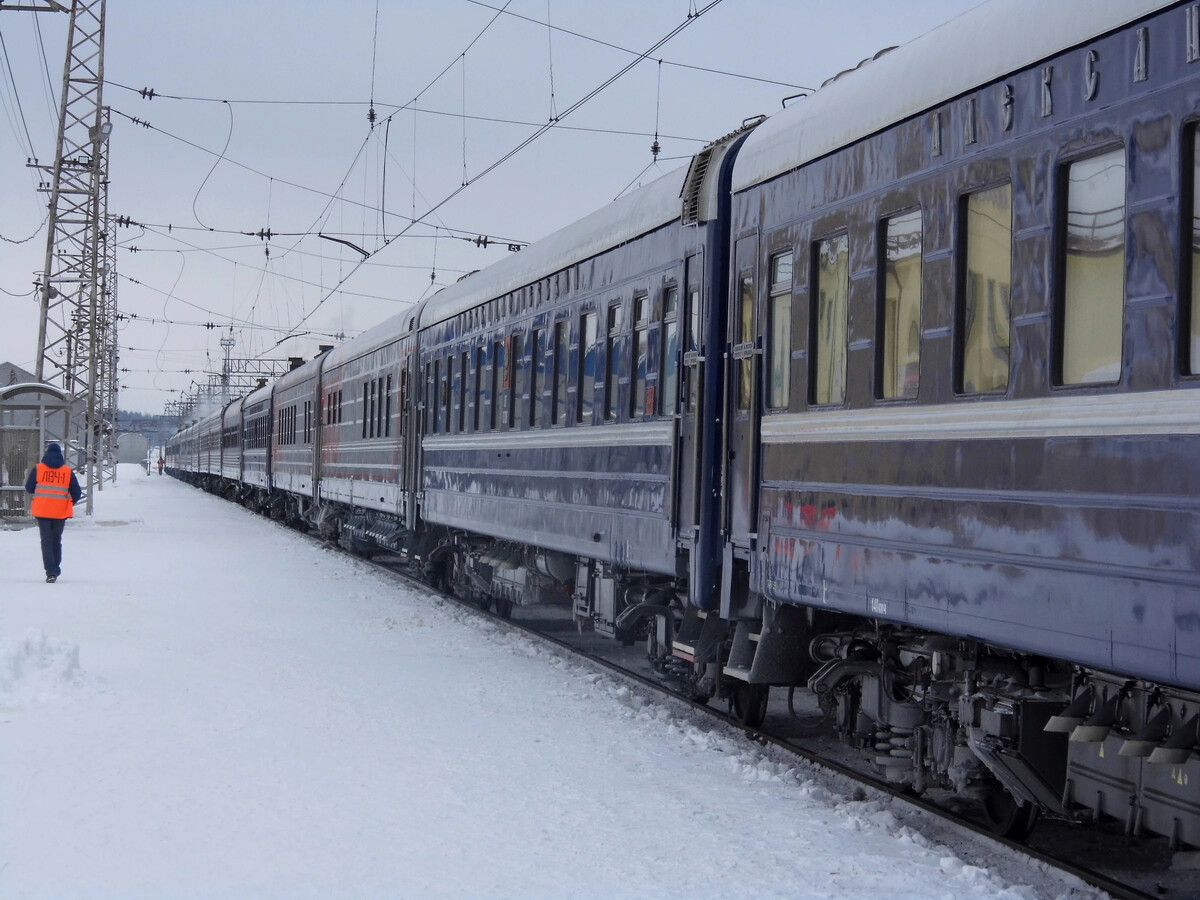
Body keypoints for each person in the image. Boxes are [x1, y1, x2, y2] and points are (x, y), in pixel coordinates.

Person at [24, 442, 82, 583]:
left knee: (46, 541)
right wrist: (68, 502)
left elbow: (29, 488)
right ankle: (55, 567)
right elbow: (77, 492)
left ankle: (51, 572)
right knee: (56, 540)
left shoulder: (38, 468)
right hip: (60, 512)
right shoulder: (67, 471)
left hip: (42, 510)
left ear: (46, 454)